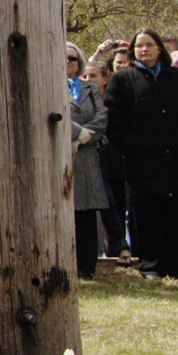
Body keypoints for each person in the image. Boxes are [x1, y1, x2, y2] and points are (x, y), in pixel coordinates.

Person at [105, 28, 178, 281]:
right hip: (142, 162)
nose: (144, 50)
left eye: (149, 45)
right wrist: (133, 145)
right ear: (133, 50)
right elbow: (115, 121)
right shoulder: (122, 80)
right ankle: (151, 266)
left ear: (159, 49)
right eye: (139, 46)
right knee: (147, 214)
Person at [67, 42, 111, 279]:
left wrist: (84, 137)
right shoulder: (48, 84)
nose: (67, 63)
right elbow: (51, 112)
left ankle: (87, 267)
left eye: (72, 59)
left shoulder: (89, 89)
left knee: (86, 216)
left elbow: (101, 118)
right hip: (60, 156)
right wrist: (74, 132)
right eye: (62, 58)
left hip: (86, 156)